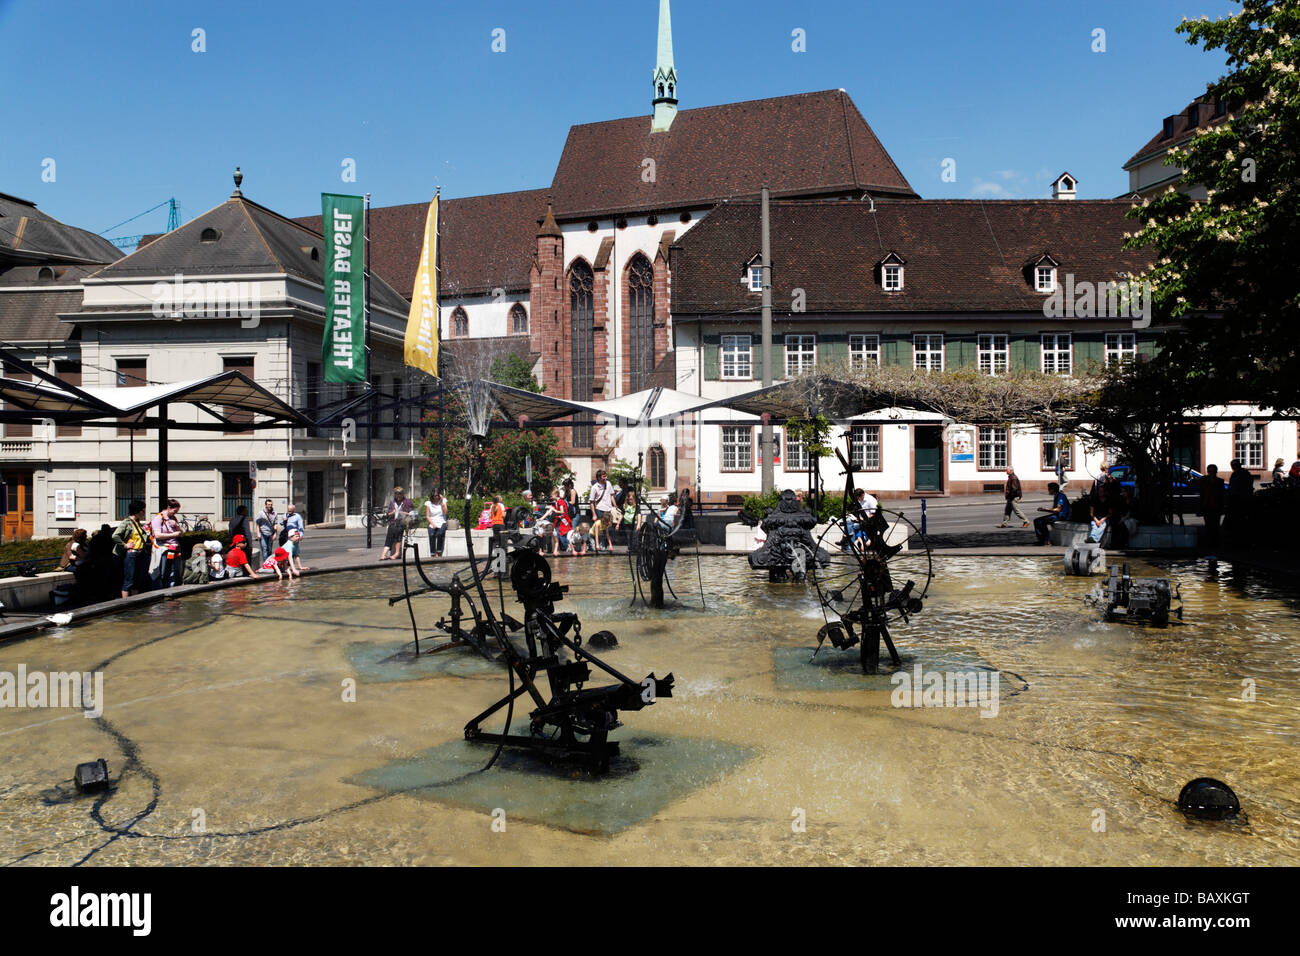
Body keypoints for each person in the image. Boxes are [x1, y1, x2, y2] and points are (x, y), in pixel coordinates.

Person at [112, 499, 151, 599]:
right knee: (129, 578)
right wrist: (125, 545)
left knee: (137, 579)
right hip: (131, 554)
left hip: (140, 553)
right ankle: (125, 602)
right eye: (143, 510)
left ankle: (134, 600)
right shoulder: (127, 522)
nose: (144, 513)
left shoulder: (137, 523)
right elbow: (115, 536)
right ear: (138, 511)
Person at [149, 499, 183, 588]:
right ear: (168, 508)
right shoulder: (159, 518)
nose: (175, 513)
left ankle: (171, 589)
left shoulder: (173, 518)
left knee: (173, 572)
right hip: (164, 549)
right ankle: (161, 589)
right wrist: (173, 534)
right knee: (163, 571)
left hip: (174, 549)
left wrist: (176, 525)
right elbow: (157, 535)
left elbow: (180, 532)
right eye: (174, 511)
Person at [379, 486, 413, 560]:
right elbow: (388, 514)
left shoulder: (407, 502)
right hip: (393, 522)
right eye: (396, 494)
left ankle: (397, 553)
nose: (398, 496)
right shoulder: (392, 502)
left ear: (403, 494)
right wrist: (393, 512)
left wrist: (402, 512)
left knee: (397, 530)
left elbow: (411, 514)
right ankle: (384, 554)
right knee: (390, 533)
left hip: (403, 522)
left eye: (399, 494)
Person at [1198, 463, 1226, 550]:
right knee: (1208, 525)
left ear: (1216, 472)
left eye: (1213, 471)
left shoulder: (1220, 481)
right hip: (1207, 506)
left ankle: (1215, 543)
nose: (1211, 473)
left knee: (1215, 525)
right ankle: (1210, 543)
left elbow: (1222, 495)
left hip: (1216, 506)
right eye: (1210, 471)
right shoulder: (1204, 480)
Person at [589, 470, 615, 551]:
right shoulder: (594, 487)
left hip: (608, 509)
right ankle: (597, 545)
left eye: (606, 476)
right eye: (604, 476)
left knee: (608, 529)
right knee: (599, 528)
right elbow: (592, 502)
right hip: (599, 509)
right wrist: (594, 514)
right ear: (599, 478)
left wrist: (615, 506)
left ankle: (605, 545)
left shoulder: (608, 483)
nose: (606, 478)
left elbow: (611, 496)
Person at [255, 499, 280, 564]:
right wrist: (258, 533)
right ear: (266, 505)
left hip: (271, 533)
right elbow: (257, 524)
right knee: (264, 549)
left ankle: (269, 562)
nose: (270, 506)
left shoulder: (274, 513)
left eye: (271, 504)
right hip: (263, 533)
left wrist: (275, 534)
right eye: (268, 504)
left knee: (269, 550)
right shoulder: (261, 513)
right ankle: (265, 564)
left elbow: (275, 523)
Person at [425, 492, 446, 557]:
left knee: (440, 533)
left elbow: (445, 512)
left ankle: (438, 551)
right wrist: (432, 524)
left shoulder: (443, 501)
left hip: (441, 521)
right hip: (432, 521)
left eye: (437, 495)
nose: (436, 497)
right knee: (431, 534)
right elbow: (428, 516)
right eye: (434, 496)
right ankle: (432, 553)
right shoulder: (428, 503)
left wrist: (442, 502)